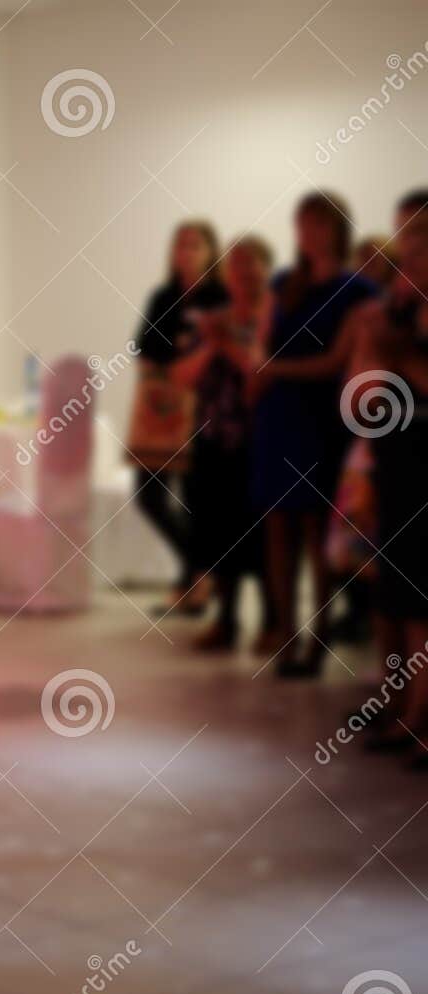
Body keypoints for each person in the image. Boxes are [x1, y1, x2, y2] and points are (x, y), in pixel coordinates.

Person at [250, 192, 376, 678]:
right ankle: (285, 632)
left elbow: (335, 361)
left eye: (318, 224)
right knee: (278, 527)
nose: (308, 233)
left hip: (320, 416)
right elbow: (264, 338)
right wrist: (264, 368)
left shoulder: (358, 290)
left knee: (315, 529)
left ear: (337, 229)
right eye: (302, 224)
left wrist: (273, 368)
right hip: (279, 416)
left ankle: (320, 634)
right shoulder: (285, 281)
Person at [350, 189, 428, 763]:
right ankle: (398, 705)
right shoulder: (397, 303)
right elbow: (368, 391)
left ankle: (421, 719)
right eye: (405, 233)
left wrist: (400, 360)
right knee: (392, 590)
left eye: (420, 234)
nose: (410, 247)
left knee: (422, 597)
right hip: (393, 456)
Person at [171, 235, 272, 652]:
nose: (243, 272)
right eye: (236, 265)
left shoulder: (273, 317)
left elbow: (257, 372)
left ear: (267, 269)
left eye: (252, 264)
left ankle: (274, 622)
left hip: (262, 441)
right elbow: (181, 376)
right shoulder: (214, 318)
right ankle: (226, 621)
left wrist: (225, 343)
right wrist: (212, 343)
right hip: (213, 439)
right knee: (218, 533)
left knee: (263, 538)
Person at [130, 220, 228, 617]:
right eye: (180, 244)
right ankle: (202, 571)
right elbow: (144, 346)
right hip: (160, 410)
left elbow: (217, 351)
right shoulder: (163, 296)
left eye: (195, 245)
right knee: (148, 494)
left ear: (211, 251)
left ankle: (192, 580)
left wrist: (183, 356)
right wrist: (177, 355)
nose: (186, 252)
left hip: (204, 409)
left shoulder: (219, 297)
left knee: (194, 500)